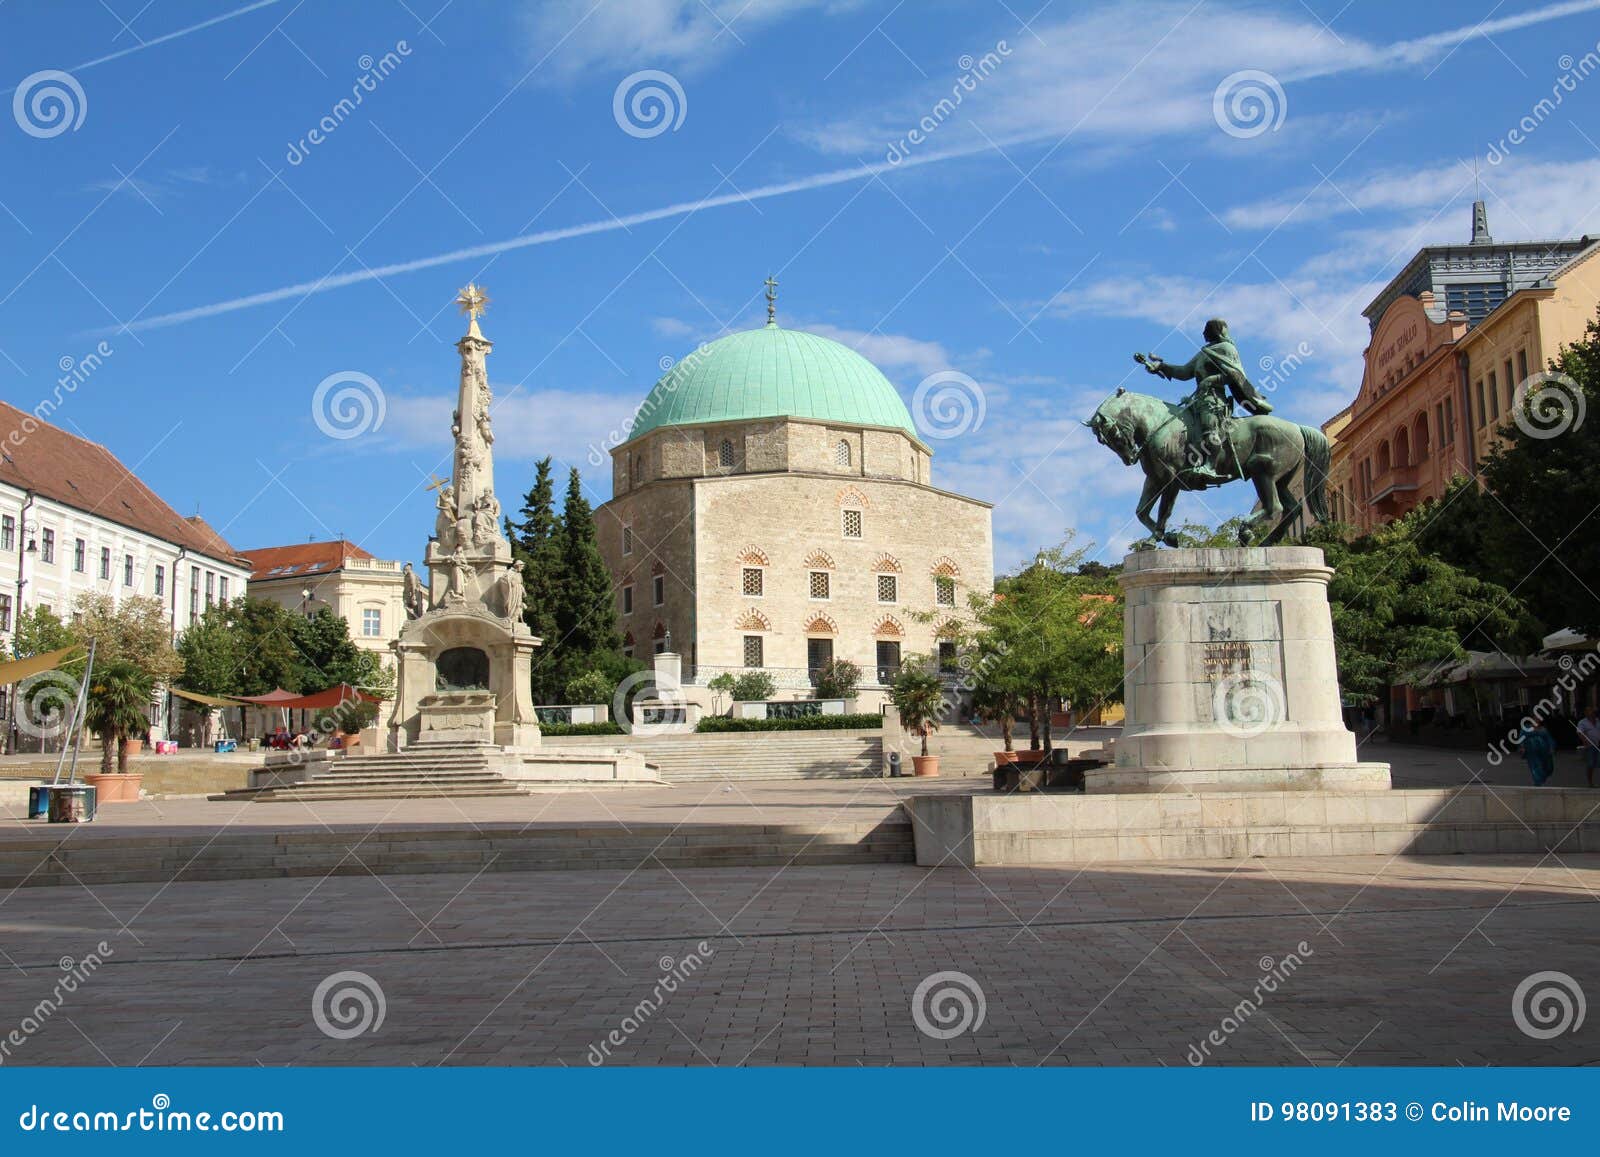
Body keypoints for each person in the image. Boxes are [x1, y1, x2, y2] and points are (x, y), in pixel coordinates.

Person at [1137, 318, 1274, 483]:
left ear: (1215, 331)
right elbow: (1184, 372)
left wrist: (1211, 380)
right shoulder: (1204, 352)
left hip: (1214, 400)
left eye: (1206, 330)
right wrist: (1162, 367)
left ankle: (1210, 466)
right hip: (1197, 399)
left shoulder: (1227, 348)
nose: (1203, 333)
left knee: (1210, 430)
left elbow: (1234, 375)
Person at [1518, 719, 1557, 786]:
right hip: (1531, 750)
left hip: (1544, 751)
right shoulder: (1525, 729)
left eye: (1538, 720)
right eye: (1535, 719)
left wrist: (1552, 748)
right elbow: (1521, 738)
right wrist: (1522, 747)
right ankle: (1538, 782)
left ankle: (1541, 779)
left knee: (1548, 768)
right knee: (1535, 766)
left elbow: (1549, 739)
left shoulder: (1543, 730)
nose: (1536, 721)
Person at [1577, 706, 1600, 789]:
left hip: (1598, 744)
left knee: (1597, 763)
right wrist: (1585, 742)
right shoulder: (1582, 722)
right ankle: (1590, 782)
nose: (1591, 713)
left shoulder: (1598, 721)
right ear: (1586, 713)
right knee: (1591, 764)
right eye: (1589, 711)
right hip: (1590, 746)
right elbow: (1580, 733)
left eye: (1593, 712)